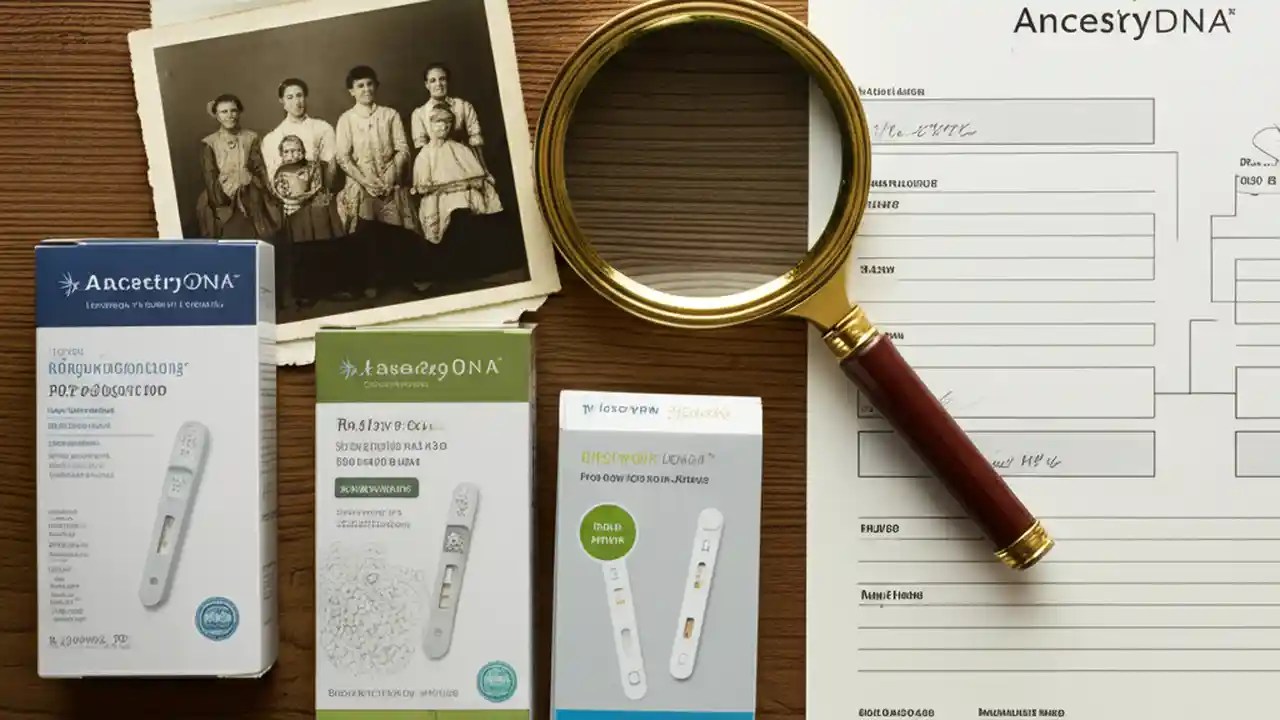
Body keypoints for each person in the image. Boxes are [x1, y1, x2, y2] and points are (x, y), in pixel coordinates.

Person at [333, 65, 421, 297]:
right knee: (365, 233)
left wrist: (390, 175)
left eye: (370, 84)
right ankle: (366, 283)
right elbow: (343, 156)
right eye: (360, 86)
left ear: (376, 86)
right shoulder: (346, 119)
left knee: (395, 232)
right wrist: (366, 180)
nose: (366, 89)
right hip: (361, 183)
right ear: (351, 91)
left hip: (388, 180)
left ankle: (399, 279)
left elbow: (402, 149)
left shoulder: (389, 115)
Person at [272, 134, 345, 309]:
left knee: (322, 249)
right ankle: (304, 292)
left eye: (297, 150)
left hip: (314, 210)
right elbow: (281, 192)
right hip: (295, 213)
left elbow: (317, 186)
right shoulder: (281, 172)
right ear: (282, 155)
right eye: (288, 151)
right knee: (301, 254)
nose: (293, 155)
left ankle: (330, 288)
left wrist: (308, 195)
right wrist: (295, 199)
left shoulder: (313, 167)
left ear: (304, 151)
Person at [412, 105, 502, 246]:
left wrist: (459, 185)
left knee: (473, 200)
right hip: (441, 200)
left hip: (466, 197)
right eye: (438, 122)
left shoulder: (461, 149)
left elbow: (478, 180)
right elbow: (423, 188)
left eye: (447, 122)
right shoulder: (425, 155)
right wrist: (457, 185)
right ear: (430, 124)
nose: (443, 126)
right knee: (441, 207)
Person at [194, 93, 280, 241]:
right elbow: (210, 176)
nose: (230, 115)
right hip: (221, 197)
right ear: (217, 115)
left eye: (233, 110)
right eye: (224, 112)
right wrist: (220, 202)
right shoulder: (209, 142)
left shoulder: (251, 137)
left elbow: (259, 168)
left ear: (239, 112)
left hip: (250, 194)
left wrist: (263, 190)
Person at [411, 62, 482, 153]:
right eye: (433, 81)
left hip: (463, 156)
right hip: (435, 160)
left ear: (447, 81)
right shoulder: (419, 114)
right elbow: (421, 148)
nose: (438, 84)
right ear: (427, 85)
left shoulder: (463, 106)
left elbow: (476, 137)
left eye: (442, 79)